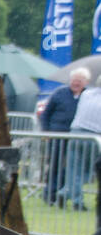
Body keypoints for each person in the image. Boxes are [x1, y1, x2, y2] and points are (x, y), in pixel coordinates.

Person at [41, 68, 90, 205]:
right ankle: (50, 194)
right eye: (74, 80)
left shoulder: (88, 95)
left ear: (85, 82)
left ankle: (63, 192)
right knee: (55, 166)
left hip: (76, 136)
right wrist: (45, 132)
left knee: (72, 168)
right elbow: (46, 114)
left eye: (79, 81)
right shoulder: (59, 93)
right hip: (57, 134)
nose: (76, 83)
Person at [64, 84, 101, 211]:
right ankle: (75, 199)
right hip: (94, 136)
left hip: (75, 133)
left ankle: (65, 193)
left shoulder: (87, 94)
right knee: (89, 171)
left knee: (74, 170)